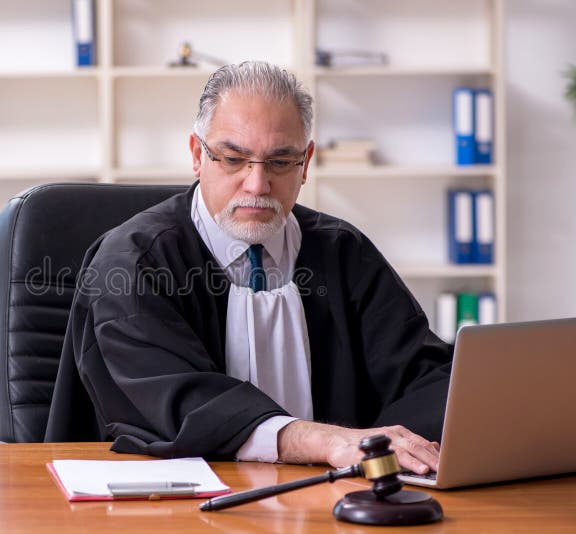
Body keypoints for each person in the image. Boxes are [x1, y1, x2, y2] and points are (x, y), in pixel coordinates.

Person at [46, 61, 452, 475]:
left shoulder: (343, 253)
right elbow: (176, 402)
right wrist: (326, 441)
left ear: (306, 163)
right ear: (196, 155)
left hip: (329, 496)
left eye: (280, 162)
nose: (257, 185)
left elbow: (429, 377)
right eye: (234, 159)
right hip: (177, 501)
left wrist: (389, 447)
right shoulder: (134, 261)